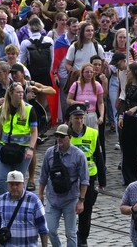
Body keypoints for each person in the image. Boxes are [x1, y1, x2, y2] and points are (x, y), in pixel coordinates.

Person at [37, 123, 88, 247]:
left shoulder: (79, 155)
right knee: (50, 230)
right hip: (53, 199)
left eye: (62, 136)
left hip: (70, 200)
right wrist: (40, 194)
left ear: (70, 137)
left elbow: (84, 180)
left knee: (71, 233)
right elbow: (43, 175)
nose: (59, 139)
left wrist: (81, 200)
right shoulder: (50, 153)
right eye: (57, 136)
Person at [63, 105, 100, 247]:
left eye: (81, 118)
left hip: (89, 176)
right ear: (70, 120)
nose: (79, 121)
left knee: (87, 209)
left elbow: (98, 157)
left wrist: (102, 179)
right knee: (70, 209)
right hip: (70, 178)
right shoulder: (64, 134)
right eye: (76, 118)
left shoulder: (92, 133)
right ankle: (71, 235)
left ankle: (82, 238)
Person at [0, 169, 47, 247]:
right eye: (11, 184)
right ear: (7, 185)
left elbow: (43, 227)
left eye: (17, 184)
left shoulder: (34, 200)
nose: (14, 187)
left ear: (23, 184)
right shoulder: (1, 200)